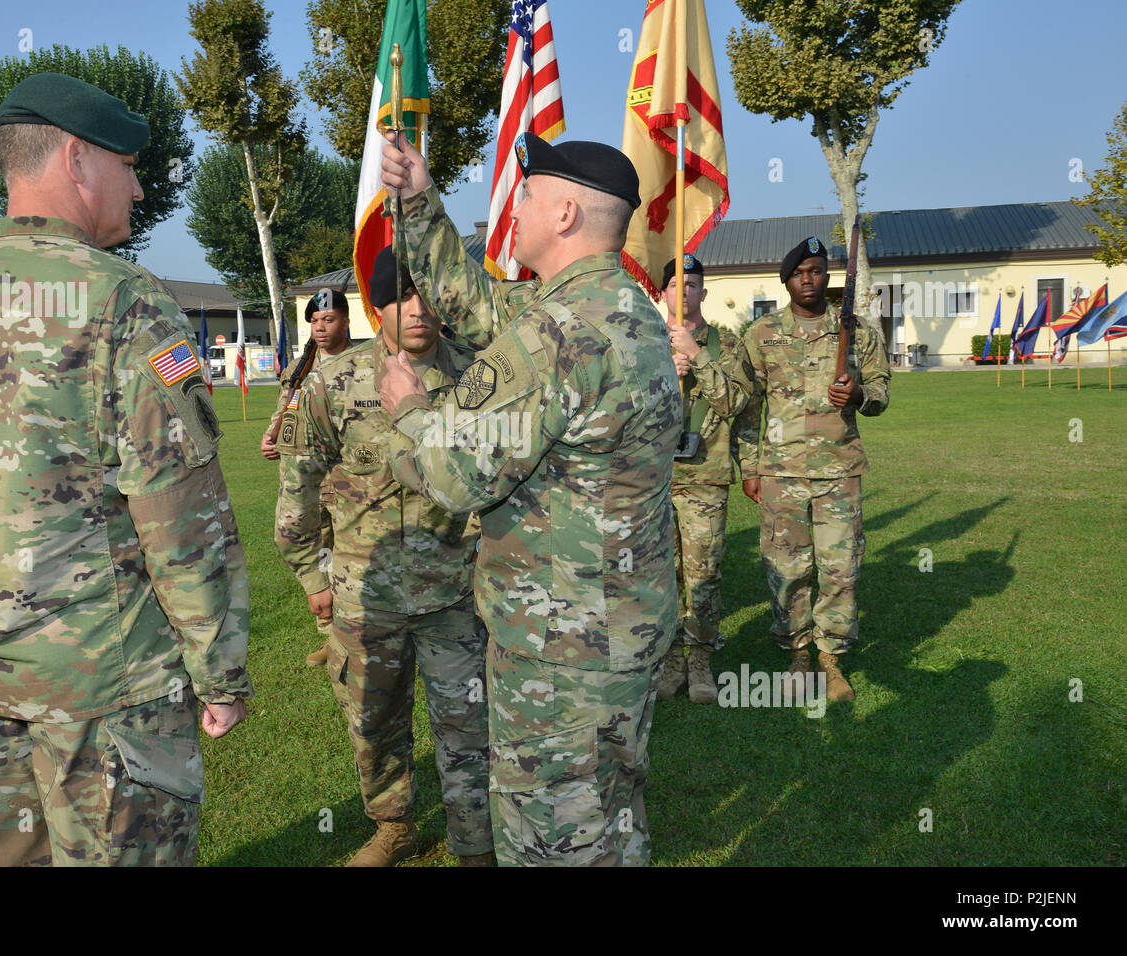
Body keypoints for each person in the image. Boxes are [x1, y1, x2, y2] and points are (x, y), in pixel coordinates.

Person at [0, 72, 252, 867]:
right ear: (76, 159)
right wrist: (220, 672)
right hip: (107, 692)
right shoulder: (128, 304)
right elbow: (179, 515)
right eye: (129, 164)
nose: (141, 188)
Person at [378, 130, 681, 867]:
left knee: (555, 839)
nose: (514, 208)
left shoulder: (558, 332)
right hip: (619, 631)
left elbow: (454, 477)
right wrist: (418, 203)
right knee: (608, 818)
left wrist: (408, 412)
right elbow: (480, 308)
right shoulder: (626, 310)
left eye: (529, 194)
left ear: (567, 213)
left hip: (560, 653)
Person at [274, 246, 493, 867]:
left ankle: (474, 840)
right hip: (366, 592)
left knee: (467, 729)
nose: (417, 309)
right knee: (373, 723)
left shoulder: (480, 377)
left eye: (426, 294)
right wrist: (310, 571)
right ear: (376, 305)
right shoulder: (334, 381)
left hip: (459, 591)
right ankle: (393, 825)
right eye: (400, 296)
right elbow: (299, 481)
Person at [738, 236, 890, 701]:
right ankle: (798, 653)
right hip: (781, 473)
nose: (810, 279)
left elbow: (881, 392)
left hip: (839, 471)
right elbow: (747, 409)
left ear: (827, 278)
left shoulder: (858, 332)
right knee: (787, 568)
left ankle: (831, 658)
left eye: (818, 271)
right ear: (786, 280)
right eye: (800, 272)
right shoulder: (761, 334)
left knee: (841, 568)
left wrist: (860, 396)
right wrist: (750, 467)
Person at [660, 254, 759, 704]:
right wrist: (663, 372)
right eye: (675, 284)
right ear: (661, 293)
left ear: (704, 292)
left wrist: (698, 357)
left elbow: (736, 403)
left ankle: (699, 656)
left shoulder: (727, 344)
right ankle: (667, 658)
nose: (683, 292)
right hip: (651, 480)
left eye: (692, 284)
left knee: (703, 572)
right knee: (660, 574)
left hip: (704, 478)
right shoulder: (641, 342)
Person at [263, 288, 352, 668]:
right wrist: (271, 435)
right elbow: (286, 410)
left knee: (350, 561)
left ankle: (351, 638)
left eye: (328, 319)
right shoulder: (301, 367)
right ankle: (330, 637)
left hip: (345, 483)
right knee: (320, 556)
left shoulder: (359, 365)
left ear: (346, 320)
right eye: (314, 321)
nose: (319, 327)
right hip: (306, 485)